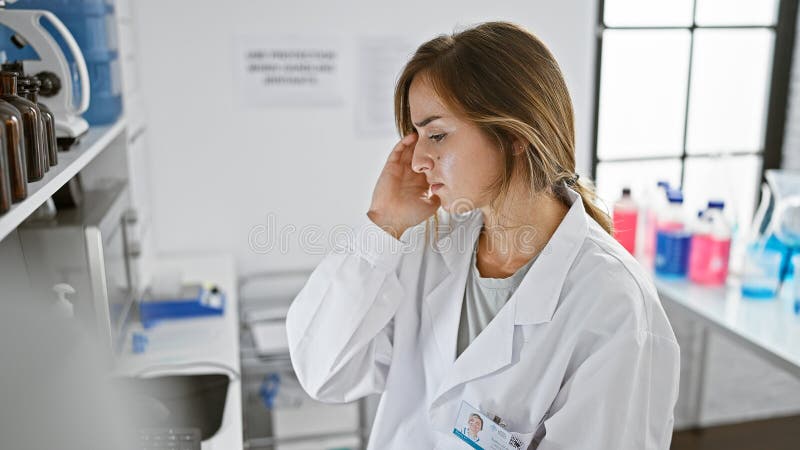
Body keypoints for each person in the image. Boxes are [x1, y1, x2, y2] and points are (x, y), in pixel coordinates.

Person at [286, 21, 680, 449]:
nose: (417, 159)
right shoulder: (426, 247)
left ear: (513, 135)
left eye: (436, 135)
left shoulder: (615, 306)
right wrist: (383, 224)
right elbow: (323, 372)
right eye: (416, 136)